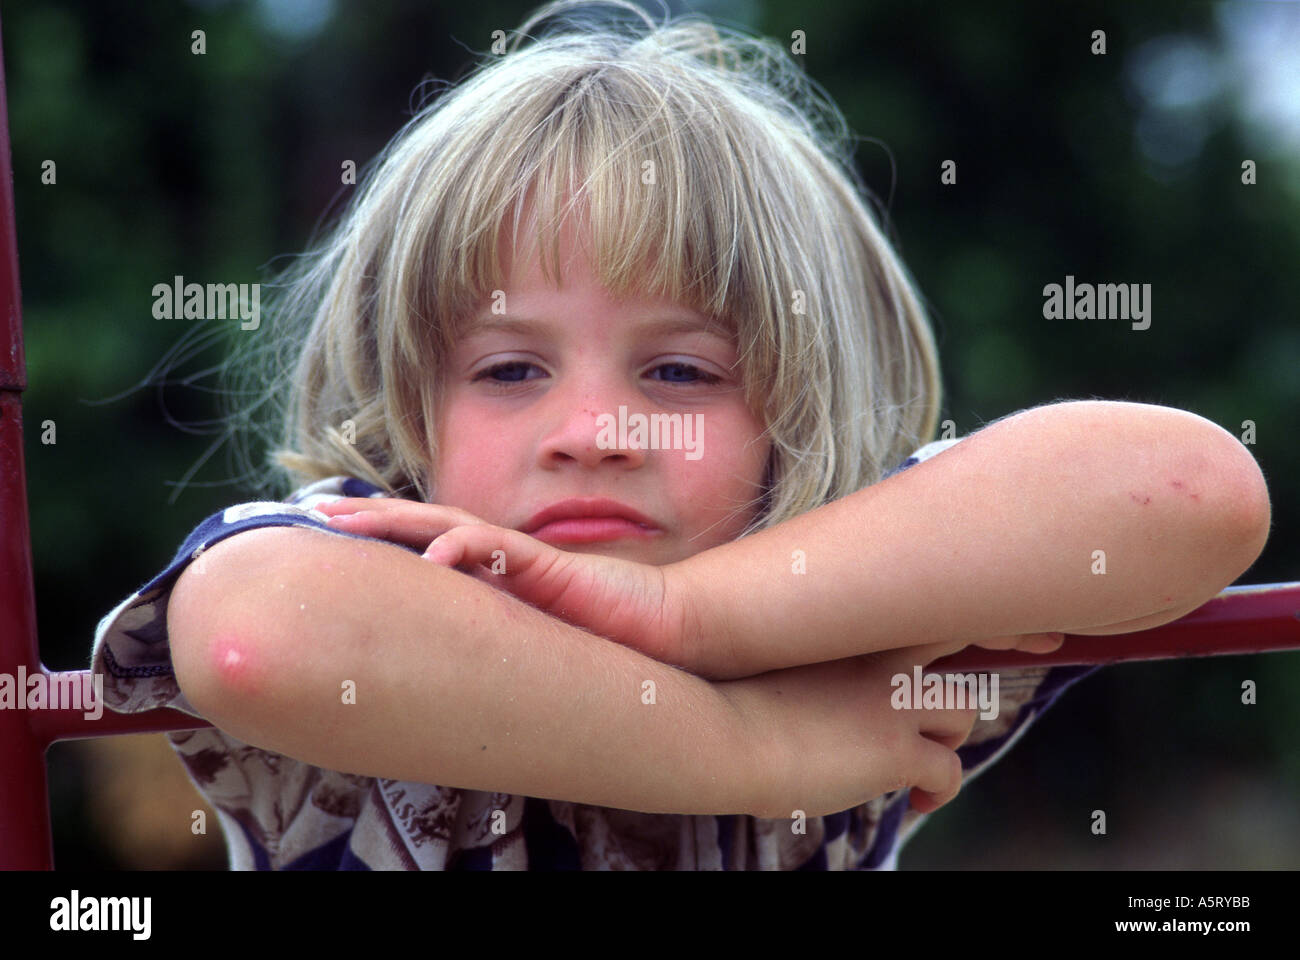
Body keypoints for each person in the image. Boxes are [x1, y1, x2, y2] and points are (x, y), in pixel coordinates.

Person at [89, 0, 1270, 870]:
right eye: (508, 370)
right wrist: (748, 749)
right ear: (410, 415)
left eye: (677, 369)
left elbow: (1189, 491)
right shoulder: (365, 570)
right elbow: (254, 638)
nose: (594, 432)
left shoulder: (845, 626)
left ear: (791, 414)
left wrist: (696, 618)